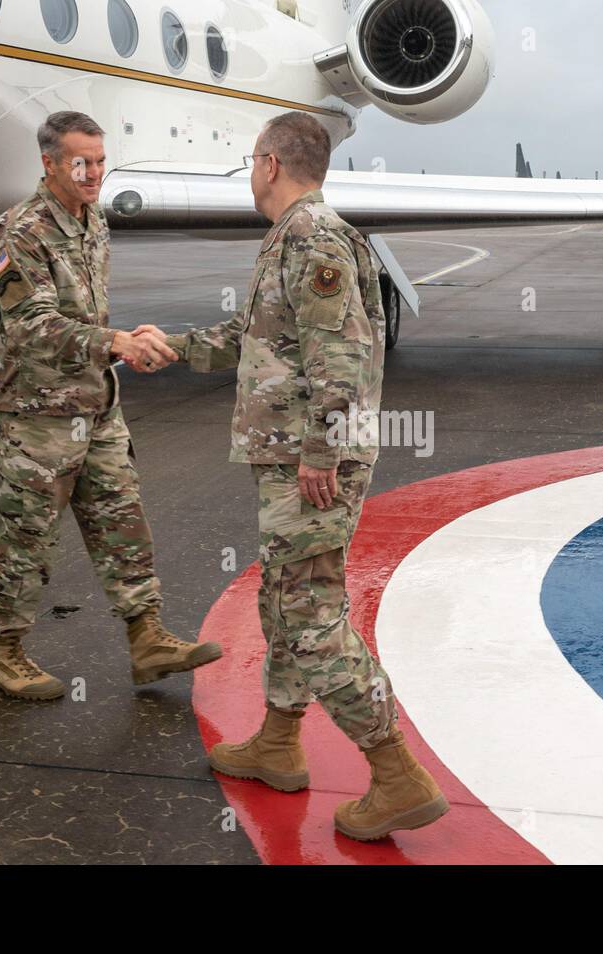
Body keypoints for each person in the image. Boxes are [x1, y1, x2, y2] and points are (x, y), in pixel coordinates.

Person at [161, 111, 449, 841]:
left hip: (311, 463)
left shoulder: (313, 238)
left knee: (311, 616)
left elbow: (341, 357)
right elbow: (254, 337)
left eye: (251, 158)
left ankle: (395, 774)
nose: (249, 170)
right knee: (286, 607)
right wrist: (170, 347)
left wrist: (321, 449)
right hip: (296, 456)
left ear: (269, 163)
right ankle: (279, 742)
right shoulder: (294, 238)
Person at [0, 110, 221, 701]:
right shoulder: (21, 231)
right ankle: (1, 653)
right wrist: (112, 343)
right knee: (29, 534)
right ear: (50, 163)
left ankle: (147, 639)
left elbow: (82, 314)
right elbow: (31, 323)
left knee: (122, 522)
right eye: (81, 162)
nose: (94, 173)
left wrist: (122, 337)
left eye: (101, 160)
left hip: (95, 402)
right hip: (38, 414)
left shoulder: (93, 219)